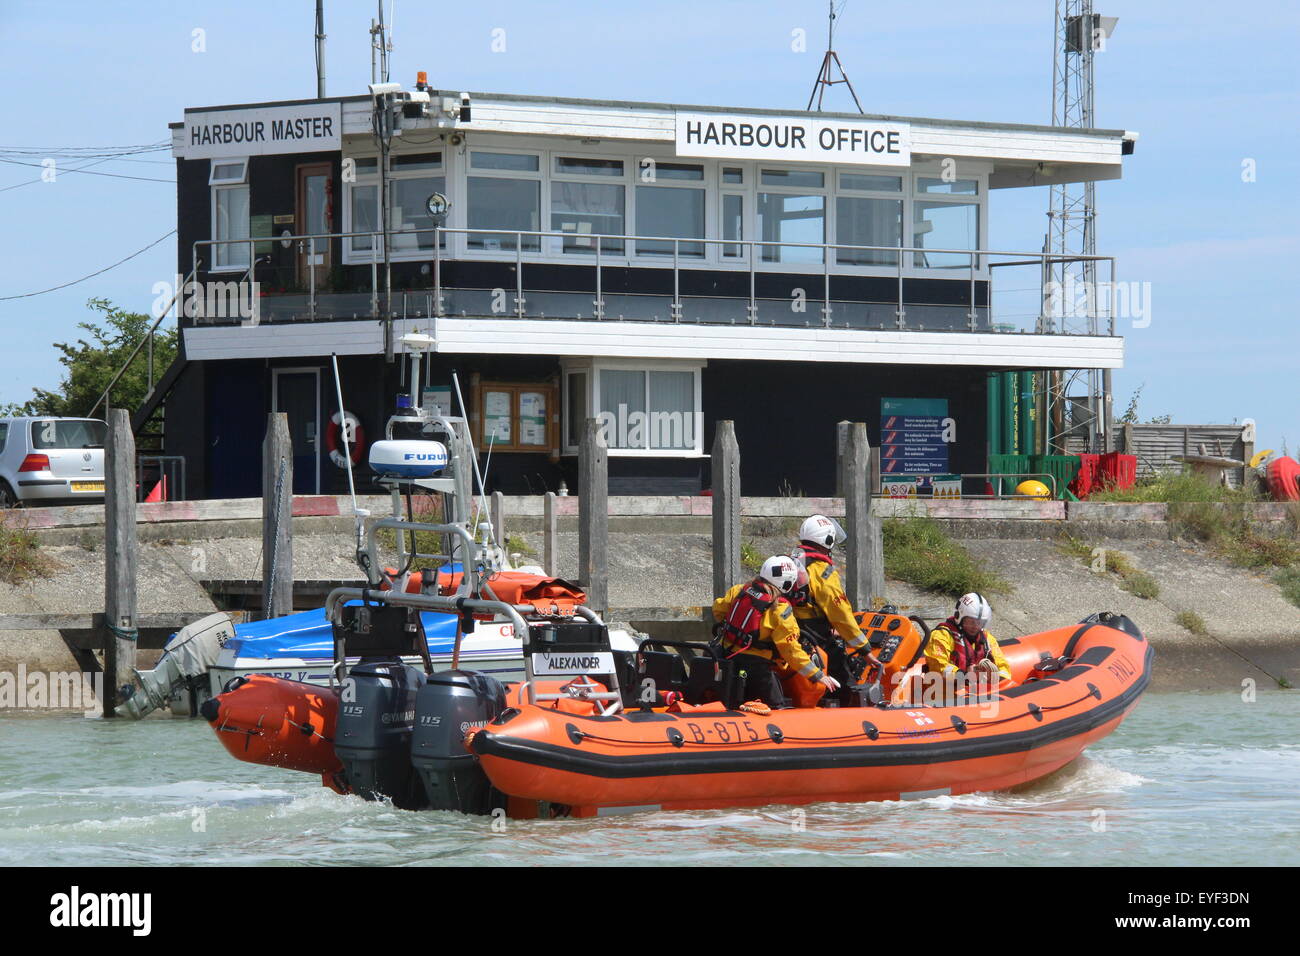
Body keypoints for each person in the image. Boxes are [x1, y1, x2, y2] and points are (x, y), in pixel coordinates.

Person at [712, 555, 841, 708]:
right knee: (777, 706)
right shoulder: (779, 609)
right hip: (756, 669)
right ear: (786, 583)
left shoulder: (739, 591)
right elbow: (790, 650)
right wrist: (817, 674)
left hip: (725, 655)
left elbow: (718, 610)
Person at [789, 514, 875, 687]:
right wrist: (865, 650)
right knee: (846, 677)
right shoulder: (822, 572)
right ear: (827, 540)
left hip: (790, 631)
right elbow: (840, 614)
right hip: (813, 636)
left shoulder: (790, 563)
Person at [924, 593, 1013, 689]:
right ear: (959, 617)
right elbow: (938, 666)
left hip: (976, 691)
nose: (975, 626)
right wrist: (965, 675)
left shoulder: (987, 639)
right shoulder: (941, 635)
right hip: (947, 690)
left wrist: (997, 677)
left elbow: (1002, 664)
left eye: (980, 622)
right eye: (971, 621)